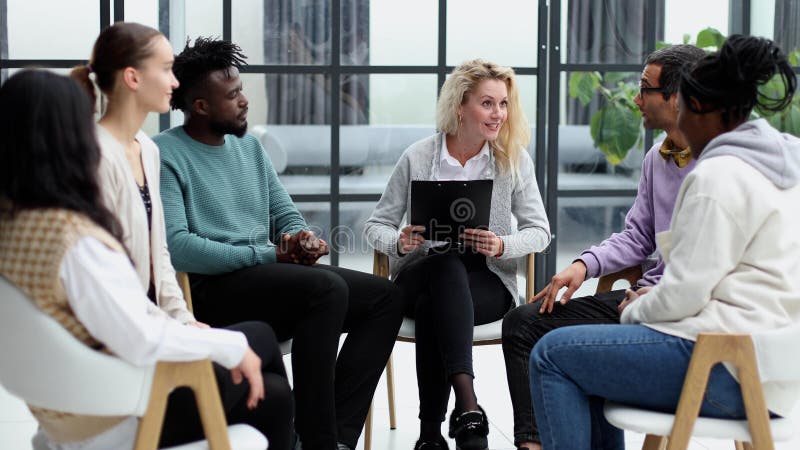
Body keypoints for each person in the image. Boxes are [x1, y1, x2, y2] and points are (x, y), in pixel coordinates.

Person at [529, 34, 800, 449]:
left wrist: (636, 309)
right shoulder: (785, 163)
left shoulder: (718, 176)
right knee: (590, 354)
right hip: (773, 369)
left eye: (687, 109)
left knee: (551, 354)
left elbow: (686, 292)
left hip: (721, 365)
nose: (683, 125)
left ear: (705, 110)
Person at [0, 69, 294, 450]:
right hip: (120, 411)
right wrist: (226, 346)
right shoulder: (72, 238)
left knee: (272, 390)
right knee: (260, 353)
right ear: (65, 137)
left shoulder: (15, 221)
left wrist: (191, 327)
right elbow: (139, 336)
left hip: (62, 407)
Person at [154, 37, 404, 450]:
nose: (244, 101)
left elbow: (283, 212)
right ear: (200, 107)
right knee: (325, 289)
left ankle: (331, 435)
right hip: (212, 290)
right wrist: (268, 252)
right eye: (232, 95)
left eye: (241, 90)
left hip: (269, 281)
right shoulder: (165, 154)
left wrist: (303, 237)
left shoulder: (249, 147)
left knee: (386, 298)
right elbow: (179, 247)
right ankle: (316, 439)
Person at [500, 44, 706, 450]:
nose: (635, 99)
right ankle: (532, 443)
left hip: (680, 312)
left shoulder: (719, 168)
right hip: (640, 299)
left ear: (678, 97)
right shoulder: (656, 159)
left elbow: (717, 270)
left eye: (645, 89)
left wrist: (659, 296)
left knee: (563, 354)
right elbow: (637, 236)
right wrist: (583, 265)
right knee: (523, 324)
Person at [364, 59, 551, 450]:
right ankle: (468, 408)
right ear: (460, 105)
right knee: (443, 264)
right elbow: (374, 226)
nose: (498, 113)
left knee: (438, 305)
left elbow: (540, 232)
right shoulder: (417, 157)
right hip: (421, 273)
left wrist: (502, 245)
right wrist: (401, 241)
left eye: (503, 104)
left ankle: (430, 433)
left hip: (486, 279)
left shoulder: (513, 161)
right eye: (487, 103)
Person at [70, 22, 199, 325]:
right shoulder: (95, 156)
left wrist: (184, 320)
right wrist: (171, 329)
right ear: (133, 77)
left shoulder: (148, 148)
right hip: (123, 328)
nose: (175, 82)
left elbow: (160, 254)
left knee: (257, 348)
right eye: (167, 69)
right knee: (255, 347)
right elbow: (107, 277)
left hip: (151, 322)